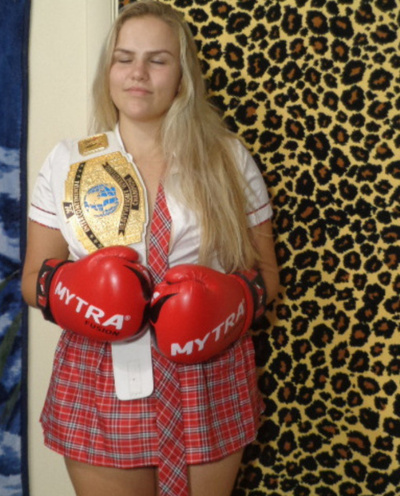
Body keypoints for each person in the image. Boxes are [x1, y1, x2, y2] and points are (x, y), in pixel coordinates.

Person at [21, 1, 280, 495]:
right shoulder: (68, 162)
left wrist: (233, 301)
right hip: (100, 380)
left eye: (157, 60)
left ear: (182, 76)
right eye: (124, 58)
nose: (138, 73)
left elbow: (267, 274)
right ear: (108, 71)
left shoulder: (227, 158)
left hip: (208, 376)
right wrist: (74, 290)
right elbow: (32, 279)